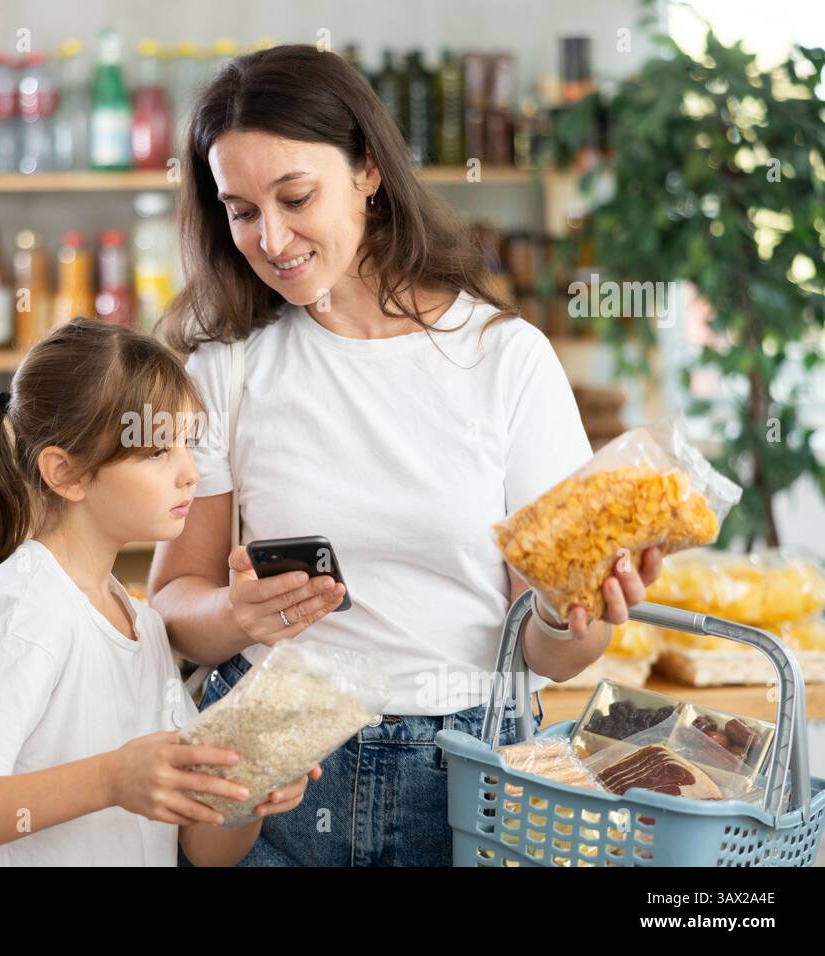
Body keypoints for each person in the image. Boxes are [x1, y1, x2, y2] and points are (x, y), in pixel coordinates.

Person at [148, 44, 661, 867]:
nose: (270, 238)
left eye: (295, 196)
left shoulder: (504, 358)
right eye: (241, 210)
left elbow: (549, 648)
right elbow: (173, 602)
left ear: (368, 172)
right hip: (272, 765)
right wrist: (232, 618)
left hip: (466, 774)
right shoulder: (228, 369)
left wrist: (578, 620)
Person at [0, 318, 319, 866]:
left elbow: (208, 850)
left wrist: (251, 790)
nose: (190, 473)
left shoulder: (142, 625)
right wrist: (111, 779)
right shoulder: (28, 612)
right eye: (157, 451)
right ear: (66, 473)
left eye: (188, 444)